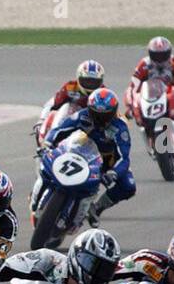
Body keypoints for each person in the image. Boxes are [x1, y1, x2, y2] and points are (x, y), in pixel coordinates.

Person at [44, 87, 134, 227]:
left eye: (105, 115)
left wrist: (114, 173)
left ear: (113, 113)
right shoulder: (83, 115)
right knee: (47, 158)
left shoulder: (120, 128)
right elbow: (60, 129)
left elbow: (124, 158)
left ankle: (96, 208)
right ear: (89, 109)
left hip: (107, 162)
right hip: (81, 151)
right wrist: (48, 143)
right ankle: (43, 189)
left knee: (129, 186)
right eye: (96, 114)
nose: (100, 120)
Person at [128, 36, 174, 124]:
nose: (160, 59)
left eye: (163, 55)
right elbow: (133, 86)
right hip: (149, 97)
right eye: (156, 55)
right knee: (131, 112)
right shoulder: (144, 65)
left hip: (170, 95)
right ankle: (145, 126)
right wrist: (130, 104)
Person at [37, 59, 104, 142]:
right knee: (64, 107)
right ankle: (51, 137)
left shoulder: (103, 92)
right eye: (87, 81)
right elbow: (52, 103)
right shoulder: (70, 87)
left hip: (91, 124)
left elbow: (112, 112)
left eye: (94, 82)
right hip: (69, 120)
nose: (90, 85)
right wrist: (42, 120)